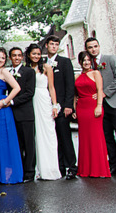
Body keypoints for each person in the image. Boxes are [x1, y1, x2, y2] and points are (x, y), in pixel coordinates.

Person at [85, 37, 116, 177]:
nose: (93, 49)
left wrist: (105, 93)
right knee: (107, 136)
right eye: (90, 47)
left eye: (95, 46)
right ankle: (114, 164)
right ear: (87, 49)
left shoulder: (110, 59)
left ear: (99, 46)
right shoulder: (88, 64)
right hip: (100, 106)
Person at [25, 43, 60, 181]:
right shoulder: (26, 69)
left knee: (47, 133)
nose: (36, 56)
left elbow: (51, 87)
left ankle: (50, 169)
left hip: (44, 100)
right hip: (30, 101)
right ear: (29, 55)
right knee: (35, 135)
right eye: (34, 54)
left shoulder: (46, 67)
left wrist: (55, 105)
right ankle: (37, 169)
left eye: (38, 54)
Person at [0, 48, 23, 184]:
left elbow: (17, 88)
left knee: (4, 139)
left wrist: (5, 101)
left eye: (3, 58)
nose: (0, 60)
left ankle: (8, 175)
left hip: (1, 107)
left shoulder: (4, 72)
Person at [73, 52, 110, 178]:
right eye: (84, 60)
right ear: (80, 62)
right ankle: (86, 169)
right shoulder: (77, 76)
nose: (86, 62)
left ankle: (99, 168)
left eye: (88, 60)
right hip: (81, 108)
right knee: (84, 138)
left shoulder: (96, 73)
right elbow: (75, 95)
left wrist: (99, 105)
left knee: (96, 137)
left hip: (93, 107)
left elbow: (100, 90)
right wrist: (74, 109)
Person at [44, 36, 77, 179]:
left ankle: (72, 166)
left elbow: (70, 85)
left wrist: (68, 105)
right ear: (46, 45)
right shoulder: (43, 64)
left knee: (64, 136)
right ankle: (60, 167)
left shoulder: (65, 62)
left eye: (56, 44)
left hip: (63, 106)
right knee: (53, 137)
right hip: (47, 106)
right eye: (51, 44)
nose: (54, 47)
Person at [8, 47, 36, 182]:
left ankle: (29, 172)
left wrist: (12, 101)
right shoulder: (8, 72)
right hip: (11, 114)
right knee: (16, 144)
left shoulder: (29, 72)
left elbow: (29, 93)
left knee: (28, 144)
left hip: (25, 113)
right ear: (10, 58)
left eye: (19, 55)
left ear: (23, 57)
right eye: (14, 55)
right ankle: (18, 171)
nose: (17, 58)